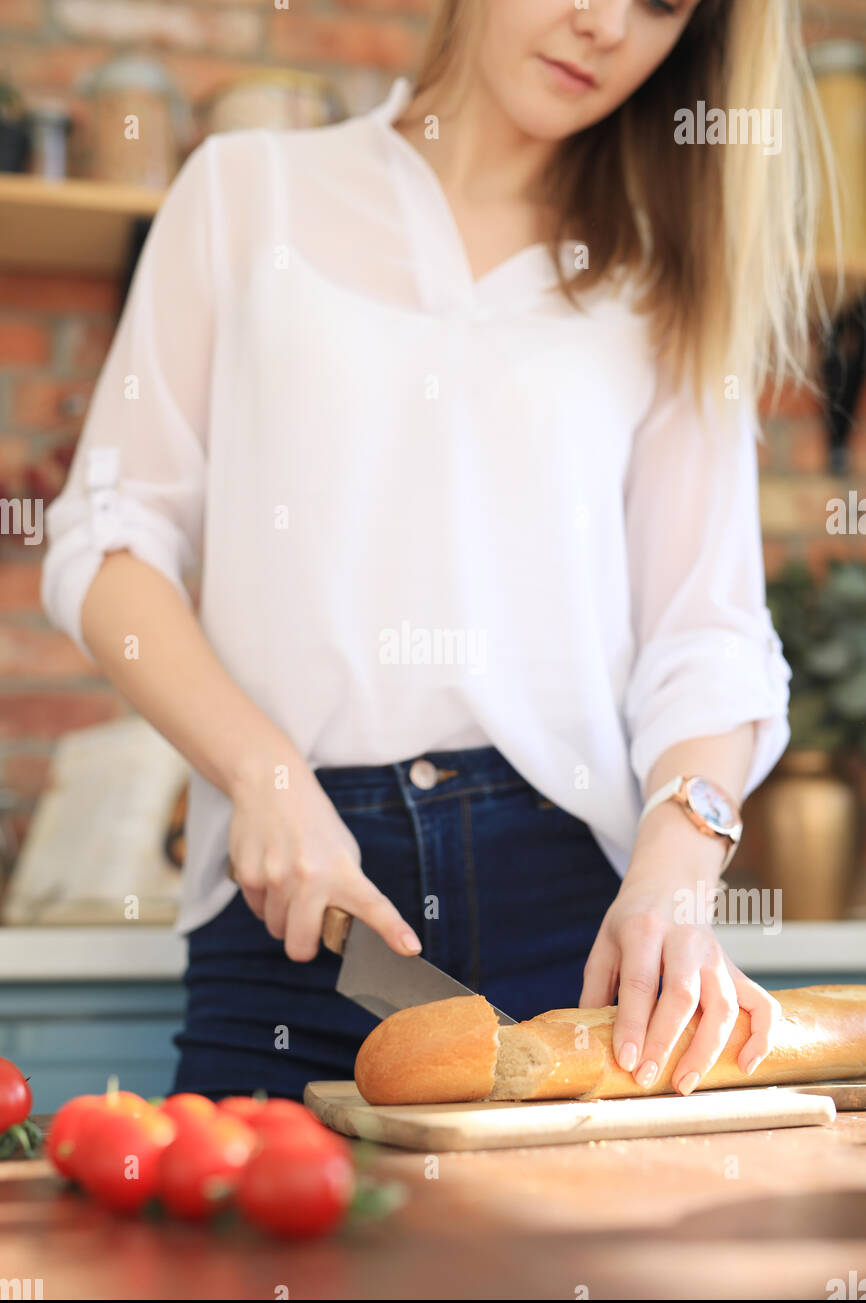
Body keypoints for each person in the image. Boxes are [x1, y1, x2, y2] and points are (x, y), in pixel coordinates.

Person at [41, 0, 827, 1102]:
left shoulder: (664, 277)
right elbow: (106, 539)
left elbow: (709, 633)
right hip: (299, 913)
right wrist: (263, 776)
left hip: (577, 939)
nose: (601, 23)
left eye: (656, 2)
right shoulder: (242, 193)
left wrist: (673, 877)